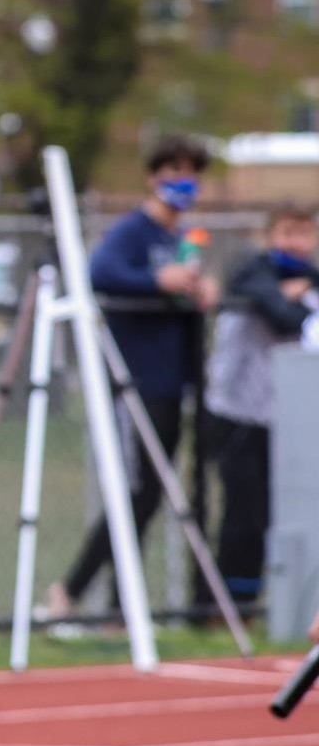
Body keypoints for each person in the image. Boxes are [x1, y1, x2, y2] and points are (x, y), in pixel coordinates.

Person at [42, 135, 219, 622]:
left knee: (151, 495)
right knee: (137, 492)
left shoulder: (179, 237)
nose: (183, 181)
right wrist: (156, 282)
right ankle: (71, 590)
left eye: (191, 172)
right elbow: (99, 272)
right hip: (133, 381)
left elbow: (181, 290)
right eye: (174, 171)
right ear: (153, 176)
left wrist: (199, 290)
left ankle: (121, 605)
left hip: (173, 380)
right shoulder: (133, 231)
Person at [203, 205, 317, 601]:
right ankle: (229, 602)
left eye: (304, 234)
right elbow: (286, 317)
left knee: (276, 511)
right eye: (287, 233)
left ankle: (267, 599)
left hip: (286, 420)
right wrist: (298, 301)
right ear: (270, 237)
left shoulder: (307, 276)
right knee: (243, 514)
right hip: (238, 413)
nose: (296, 243)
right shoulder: (253, 271)